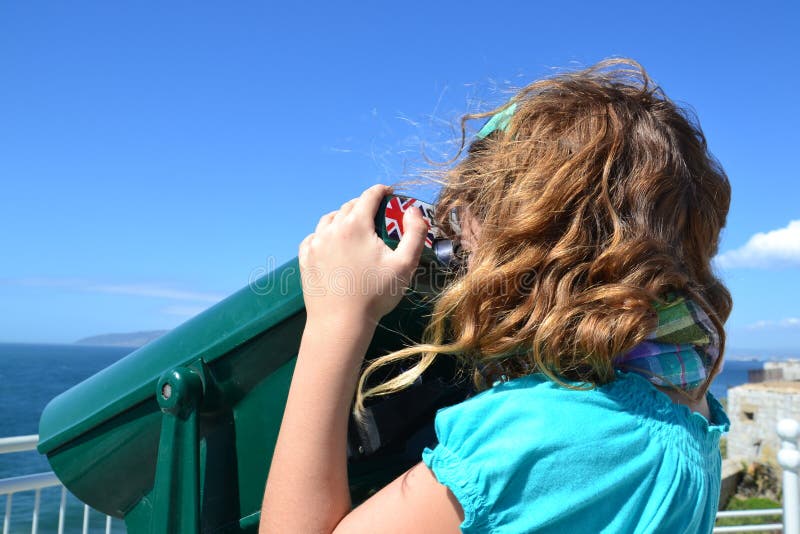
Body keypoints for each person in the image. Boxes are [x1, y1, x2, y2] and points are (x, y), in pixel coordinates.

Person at [260, 58, 731, 533]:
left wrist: (335, 320)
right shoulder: (693, 408)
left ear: (519, 245)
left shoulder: (541, 433)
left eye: (461, 240)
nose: (459, 262)